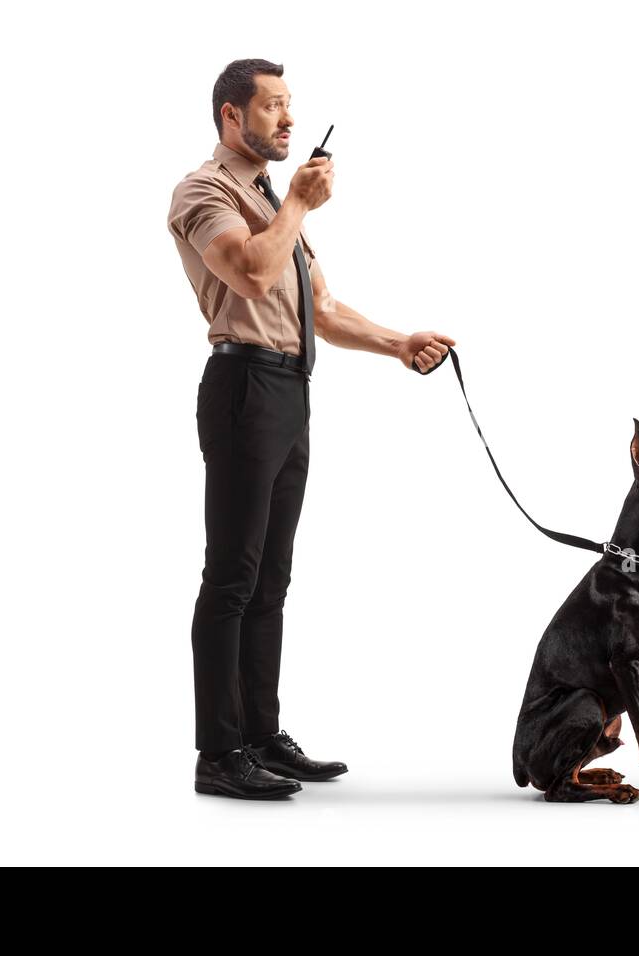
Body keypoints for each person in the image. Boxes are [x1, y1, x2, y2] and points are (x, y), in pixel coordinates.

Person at [167, 58, 457, 800]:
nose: (289, 120)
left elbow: (320, 309)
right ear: (232, 117)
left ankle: (260, 736)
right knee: (230, 576)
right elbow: (253, 275)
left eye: (291, 106)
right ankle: (218, 753)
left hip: (291, 390)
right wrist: (295, 201)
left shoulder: (270, 197)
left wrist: (398, 343)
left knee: (271, 578)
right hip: (241, 387)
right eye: (271, 108)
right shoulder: (208, 191)